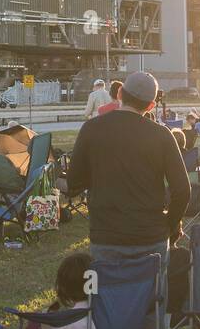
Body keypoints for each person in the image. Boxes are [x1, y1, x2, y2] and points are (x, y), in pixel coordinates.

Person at [67, 70, 190, 270]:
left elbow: (74, 182)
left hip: (106, 236)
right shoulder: (162, 135)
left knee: (109, 289)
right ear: (150, 105)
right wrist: (168, 225)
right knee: (152, 289)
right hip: (151, 236)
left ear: (119, 93)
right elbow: (183, 190)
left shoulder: (91, 128)